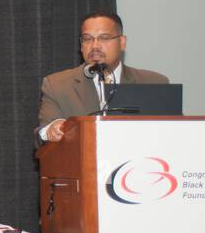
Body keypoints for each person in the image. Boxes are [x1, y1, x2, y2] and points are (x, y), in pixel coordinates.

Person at [36, 11, 169, 145]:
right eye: (87, 39)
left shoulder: (154, 83)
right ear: (81, 45)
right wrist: (51, 130)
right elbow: (43, 133)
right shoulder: (57, 85)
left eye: (104, 38)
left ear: (122, 42)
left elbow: (174, 132)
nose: (95, 46)